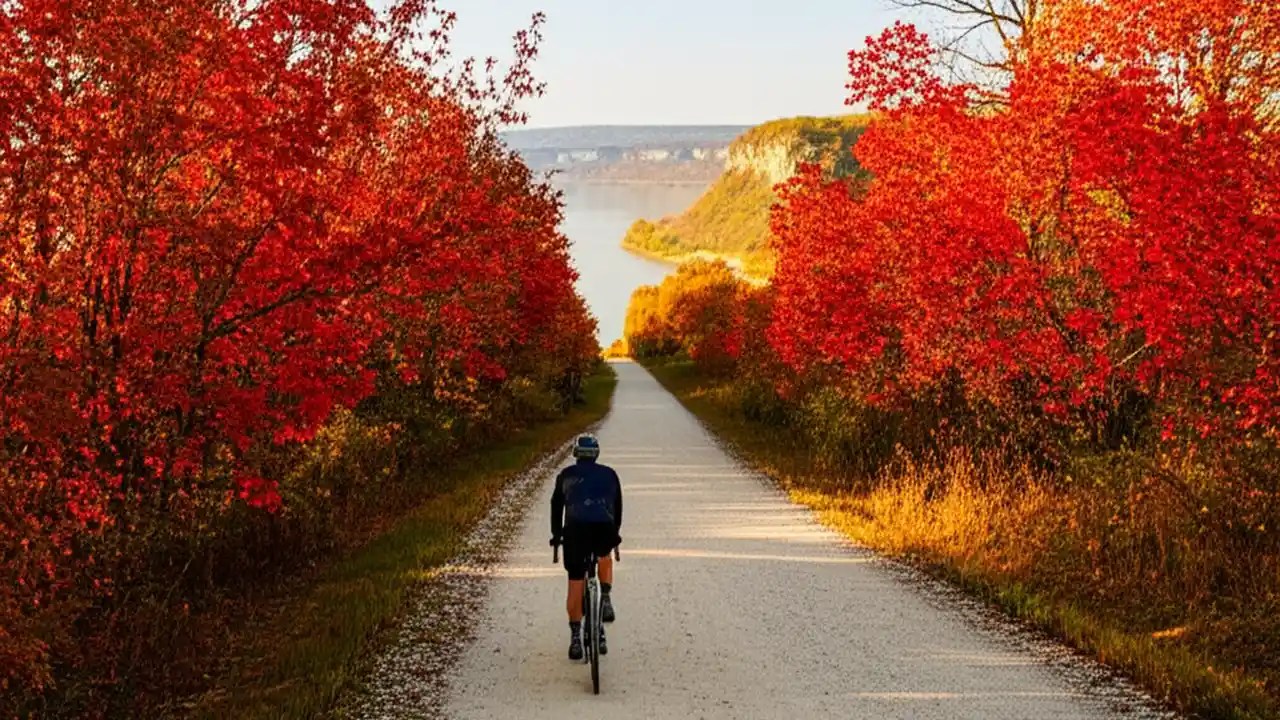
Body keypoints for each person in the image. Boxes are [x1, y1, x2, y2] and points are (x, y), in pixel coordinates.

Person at [550, 433, 622, 661]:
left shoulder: (565, 476)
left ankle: (574, 638)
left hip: (576, 532)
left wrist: (557, 535)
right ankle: (607, 596)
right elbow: (617, 507)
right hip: (604, 528)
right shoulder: (610, 474)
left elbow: (556, 509)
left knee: (575, 579)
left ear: (576, 455)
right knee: (604, 553)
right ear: (596, 453)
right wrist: (615, 533)